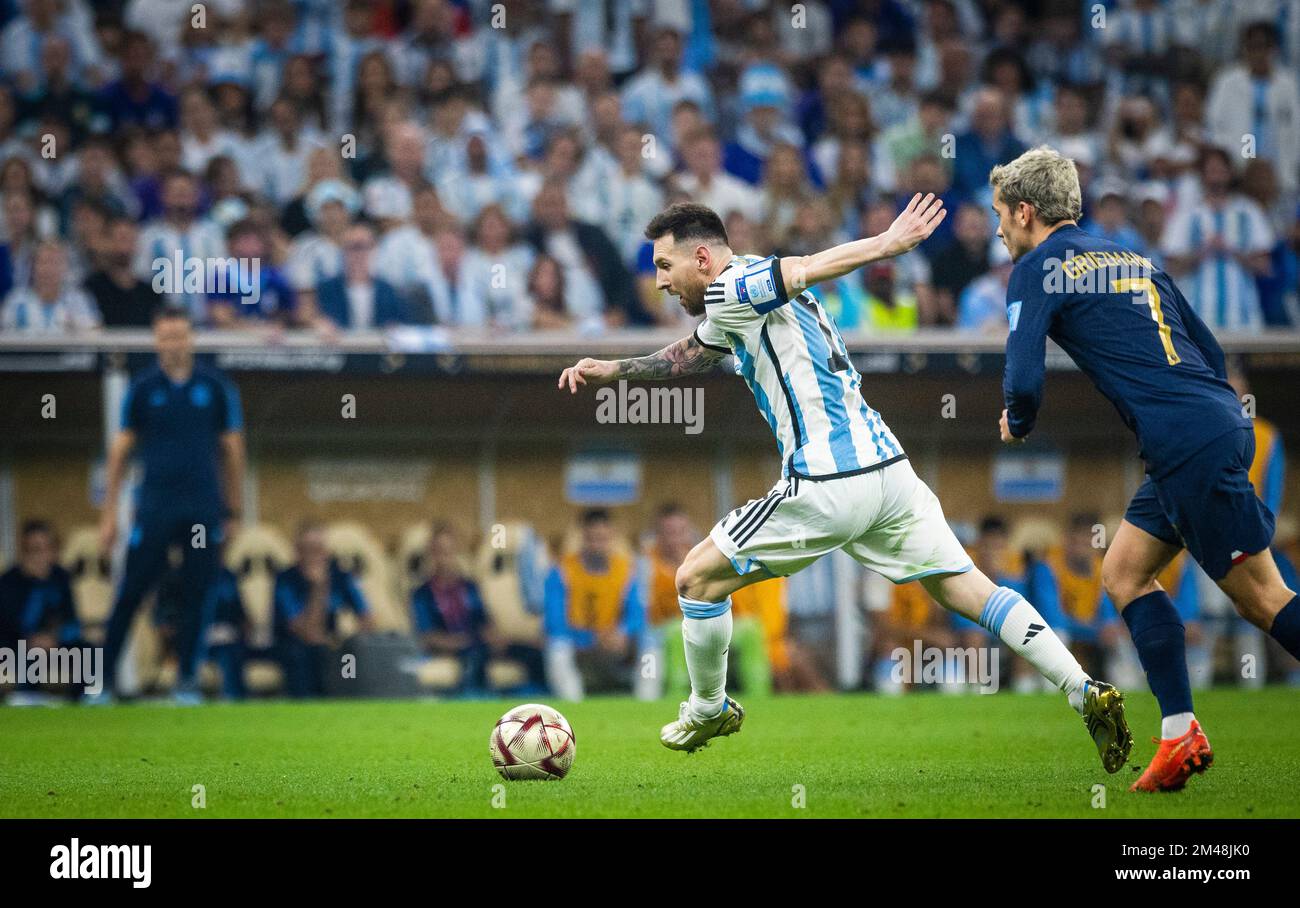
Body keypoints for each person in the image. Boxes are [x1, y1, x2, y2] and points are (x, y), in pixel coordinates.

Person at [558, 200, 1131, 772]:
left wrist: (887, 243)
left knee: (695, 578)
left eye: (664, 265)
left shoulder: (735, 284)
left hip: (828, 478)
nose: (658, 282)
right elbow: (688, 357)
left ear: (702, 257)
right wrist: (615, 370)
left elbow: (804, 266)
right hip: (890, 473)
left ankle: (708, 708)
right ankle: (1084, 691)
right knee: (970, 590)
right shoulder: (737, 298)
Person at [992, 146, 1300, 792]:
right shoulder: (1134, 258)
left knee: (1267, 602)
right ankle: (1179, 733)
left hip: (1187, 443)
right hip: (1207, 425)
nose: (998, 231)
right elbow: (1209, 348)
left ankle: (1181, 730)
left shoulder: (1038, 266)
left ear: (1025, 212)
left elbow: (1022, 378)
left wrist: (1017, 422)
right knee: (1125, 572)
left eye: (1000, 216)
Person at [96, 305, 245, 703]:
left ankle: (187, 680)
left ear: (191, 338)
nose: (173, 344)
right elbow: (119, 451)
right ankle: (103, 681)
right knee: (131, 591)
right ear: (156, 341)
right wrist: (109, 513)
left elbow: (232, 449)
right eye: (165, 337)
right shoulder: (143, 389)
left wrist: (233, 509)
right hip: (155, 509)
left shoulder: (215, 388)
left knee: (199, 593)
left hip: (201, 511)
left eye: (180, 335)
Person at [410, 521, 544, 695]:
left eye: (449, 552)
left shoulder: (469, 587)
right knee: (474, 657)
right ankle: (476, 700)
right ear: (432, 554)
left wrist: (497, 638)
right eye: (440, 552)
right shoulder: (422, 594)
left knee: (533, 654)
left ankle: (537, 703)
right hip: (457, 649)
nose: (445, 558)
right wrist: (461, 642)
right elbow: (428, 637)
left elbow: (485, 621)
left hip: (480, 644)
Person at [273, 519, 374, 698]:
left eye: (318, 549)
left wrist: (350, 638)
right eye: (308, 549)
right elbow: (306, 632)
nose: (314, 555)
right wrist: (318, 588)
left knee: (349, 658)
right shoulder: (285, 581)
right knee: (305, 655)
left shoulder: (341, 577)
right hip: (295, 646)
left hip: (331, 644)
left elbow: (366, 617)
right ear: (298, 551)